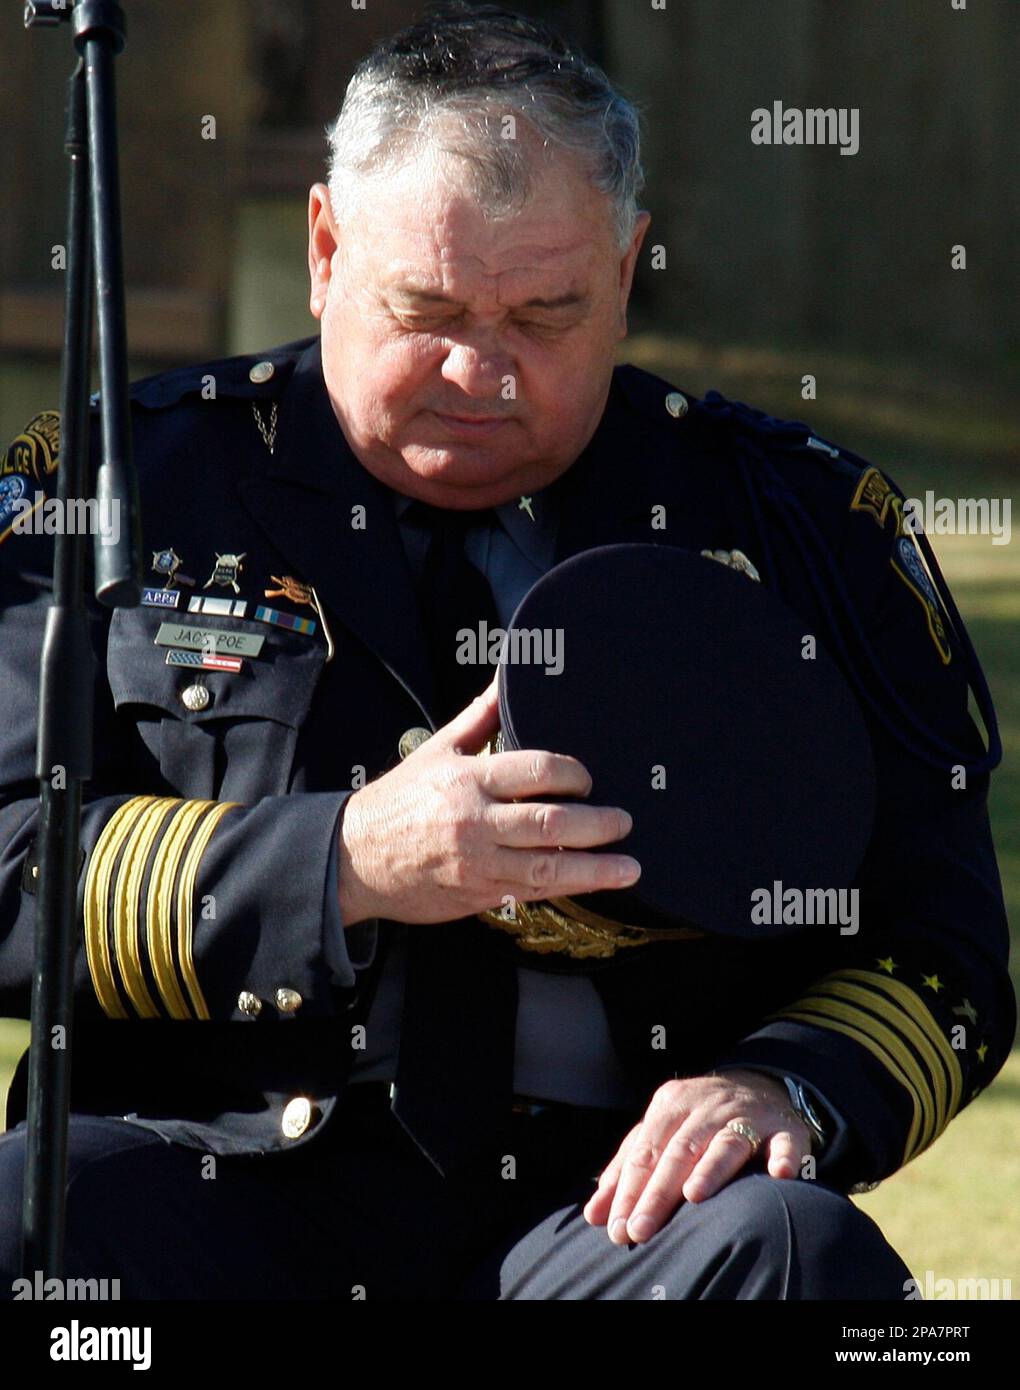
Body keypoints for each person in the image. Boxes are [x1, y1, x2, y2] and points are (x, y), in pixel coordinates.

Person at [0, 5, 1013, 1301]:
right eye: (425, 307)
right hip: (208, 1181)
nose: (480, 370)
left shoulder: (797, 527)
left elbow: (944, 937)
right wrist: (344, 862)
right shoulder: (124, 494)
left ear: (631, 263)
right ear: (324, 249)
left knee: (796, 1253)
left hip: (615, 1214)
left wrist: (787, 1080)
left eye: (546, 314)